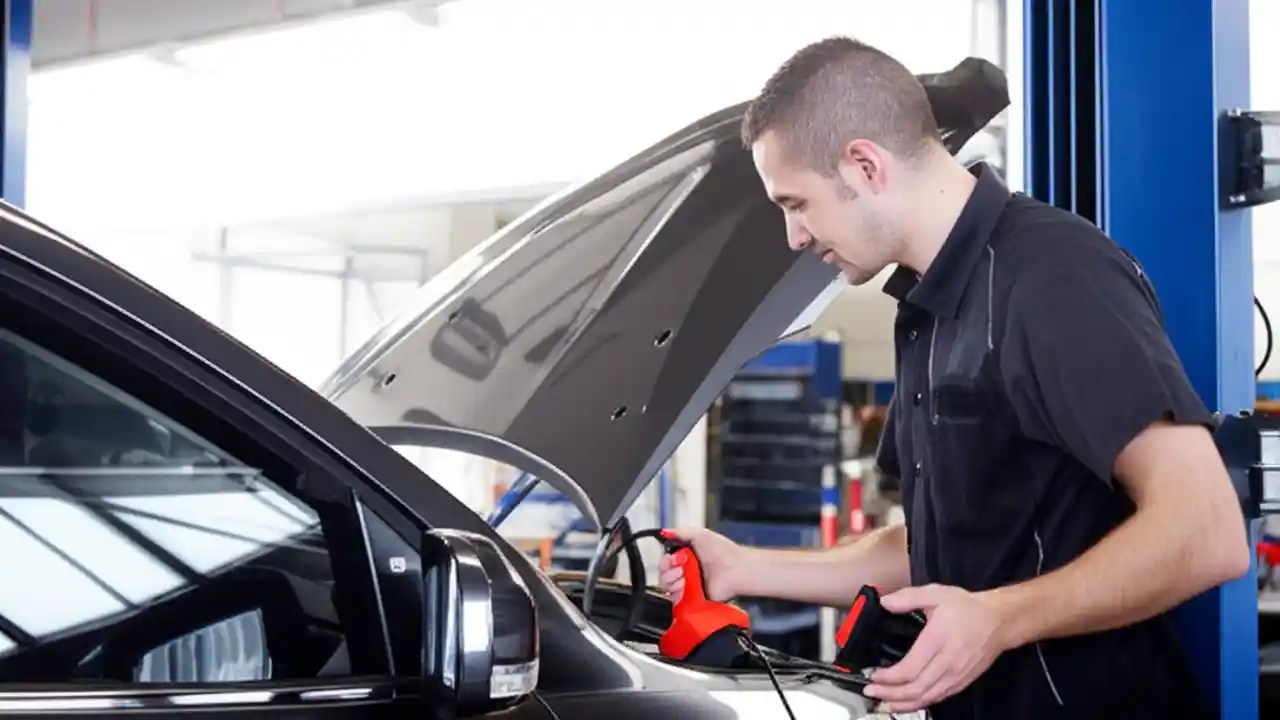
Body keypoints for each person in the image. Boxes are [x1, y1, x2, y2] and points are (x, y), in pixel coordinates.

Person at [658, 36, 1250, 719]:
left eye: (796, 203)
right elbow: (940, 548)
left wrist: (996, 619)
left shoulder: (1053, 278)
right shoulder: (925, 308)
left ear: (864, 165)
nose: (794, 235)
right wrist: (744, 567)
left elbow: (1205, 530)